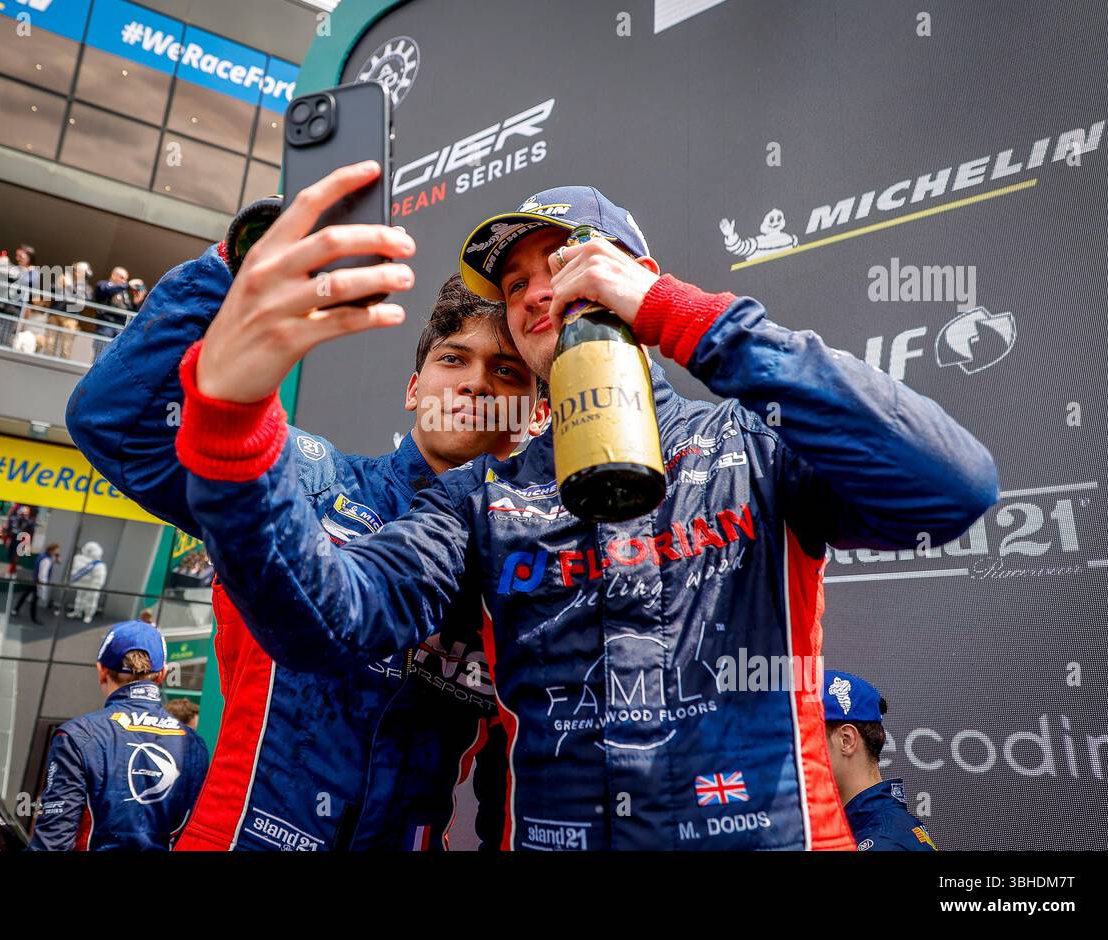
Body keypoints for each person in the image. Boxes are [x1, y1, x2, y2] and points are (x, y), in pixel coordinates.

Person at [169, 163, 1000, 850]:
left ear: (634, 275)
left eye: (567, 264)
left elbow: (950, 488)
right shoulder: (481, 494)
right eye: (516, 283)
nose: (535, 293)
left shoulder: (752, 442)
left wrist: (681, 315)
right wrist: (231, 414)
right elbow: (334, 616)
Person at [66, 196, 542, 851]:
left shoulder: (532, 559)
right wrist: (230, 272)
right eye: (453, 360)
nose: (474, 385)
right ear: (413, 388)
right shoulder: (314, 475)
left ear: (529, 415)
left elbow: (516, 789)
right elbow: (115, 427)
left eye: (506, 372)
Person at [28, 621, 209, 850]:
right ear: (162, 674)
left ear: (101, 671)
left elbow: (52, 845)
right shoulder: (195, 746)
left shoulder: (77, 736)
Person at [823, 669, 938, 851]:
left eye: (805, 737)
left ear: (847, 740)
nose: (797, 753)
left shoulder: (883, 840)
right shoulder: (872, 829)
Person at [13, 542, 60, 623]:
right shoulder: (46, 560)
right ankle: (33, 618)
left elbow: (58, 561)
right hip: (38, 582)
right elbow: (43, 574)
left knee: (25, 595)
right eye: (56, 550)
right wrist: (42, 585)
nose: (57, 552)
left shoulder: (43, 556)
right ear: (52, 550)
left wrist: (57, 557)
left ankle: (16, 609)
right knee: (34, 600)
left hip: (34, 580)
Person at [67, 540, 107, 624]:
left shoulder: (99, 564)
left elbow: (100, 577)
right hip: (82, 584)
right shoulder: (79, 559)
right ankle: (77, 612)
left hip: (92, 586)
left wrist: (96, 586)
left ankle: (88, 615)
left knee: (91, 601)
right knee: (79, 599)